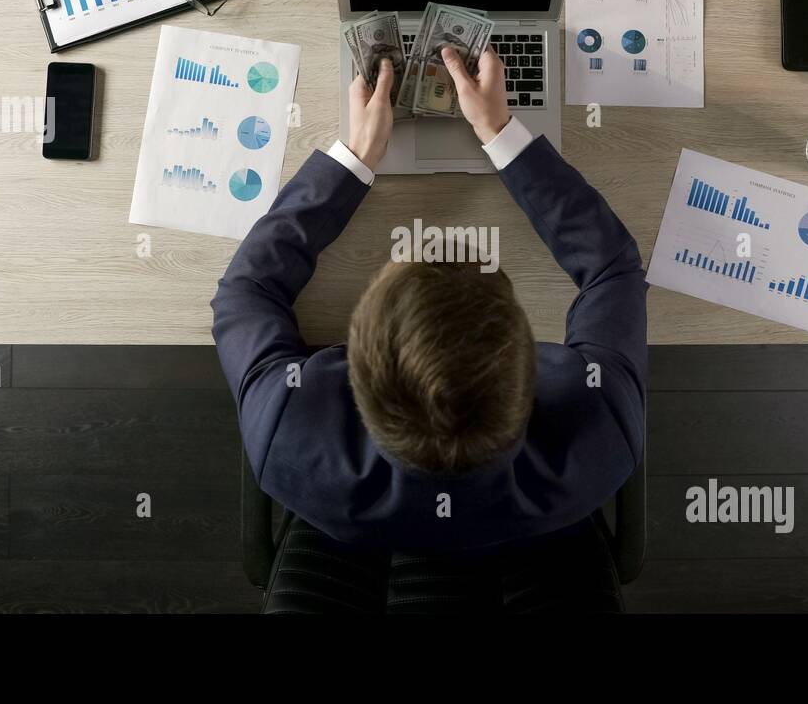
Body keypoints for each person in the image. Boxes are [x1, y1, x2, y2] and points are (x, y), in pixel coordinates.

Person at [211, 46, 646, 552]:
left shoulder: (286, 424)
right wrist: (501, 133)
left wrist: (355, 157)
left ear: (348, 371)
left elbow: (245, 290)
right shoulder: (603, 430)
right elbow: (615, 267)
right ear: (533, 361)